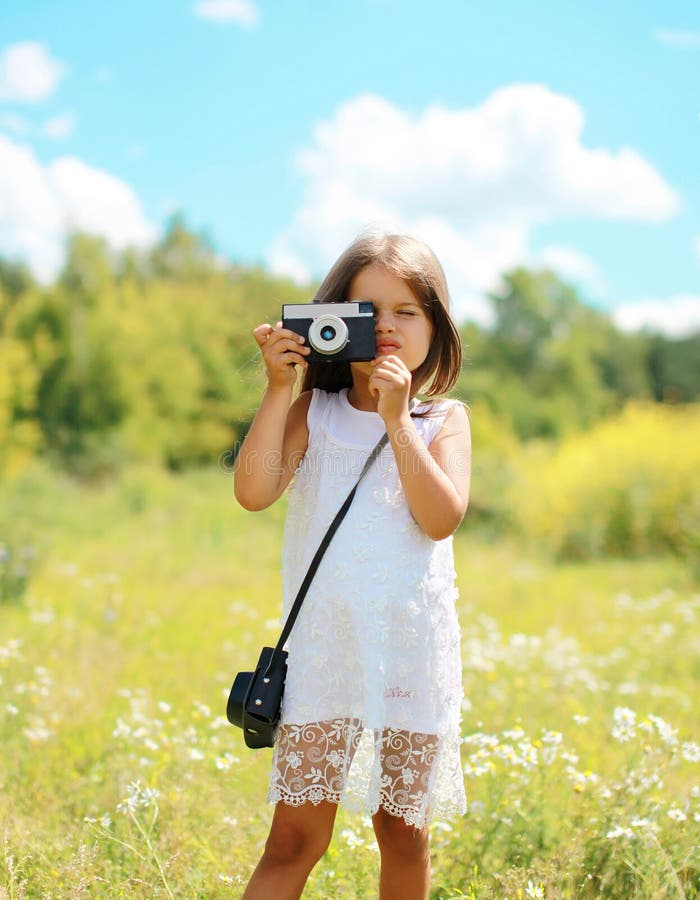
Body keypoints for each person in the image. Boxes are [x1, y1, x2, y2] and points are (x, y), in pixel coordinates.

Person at [234, 232, 471, 900]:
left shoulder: (441, 420)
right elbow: (253, 492)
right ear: (335, 318)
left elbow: (440, 517)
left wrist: (399, 419)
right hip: (325, 651)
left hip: (409, 654)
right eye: (369, 310)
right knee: (292, 841)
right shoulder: (317, 411)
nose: (388, 327)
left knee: (404, 834)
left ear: (436, 328)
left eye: (408, 311)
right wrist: (281, 387)